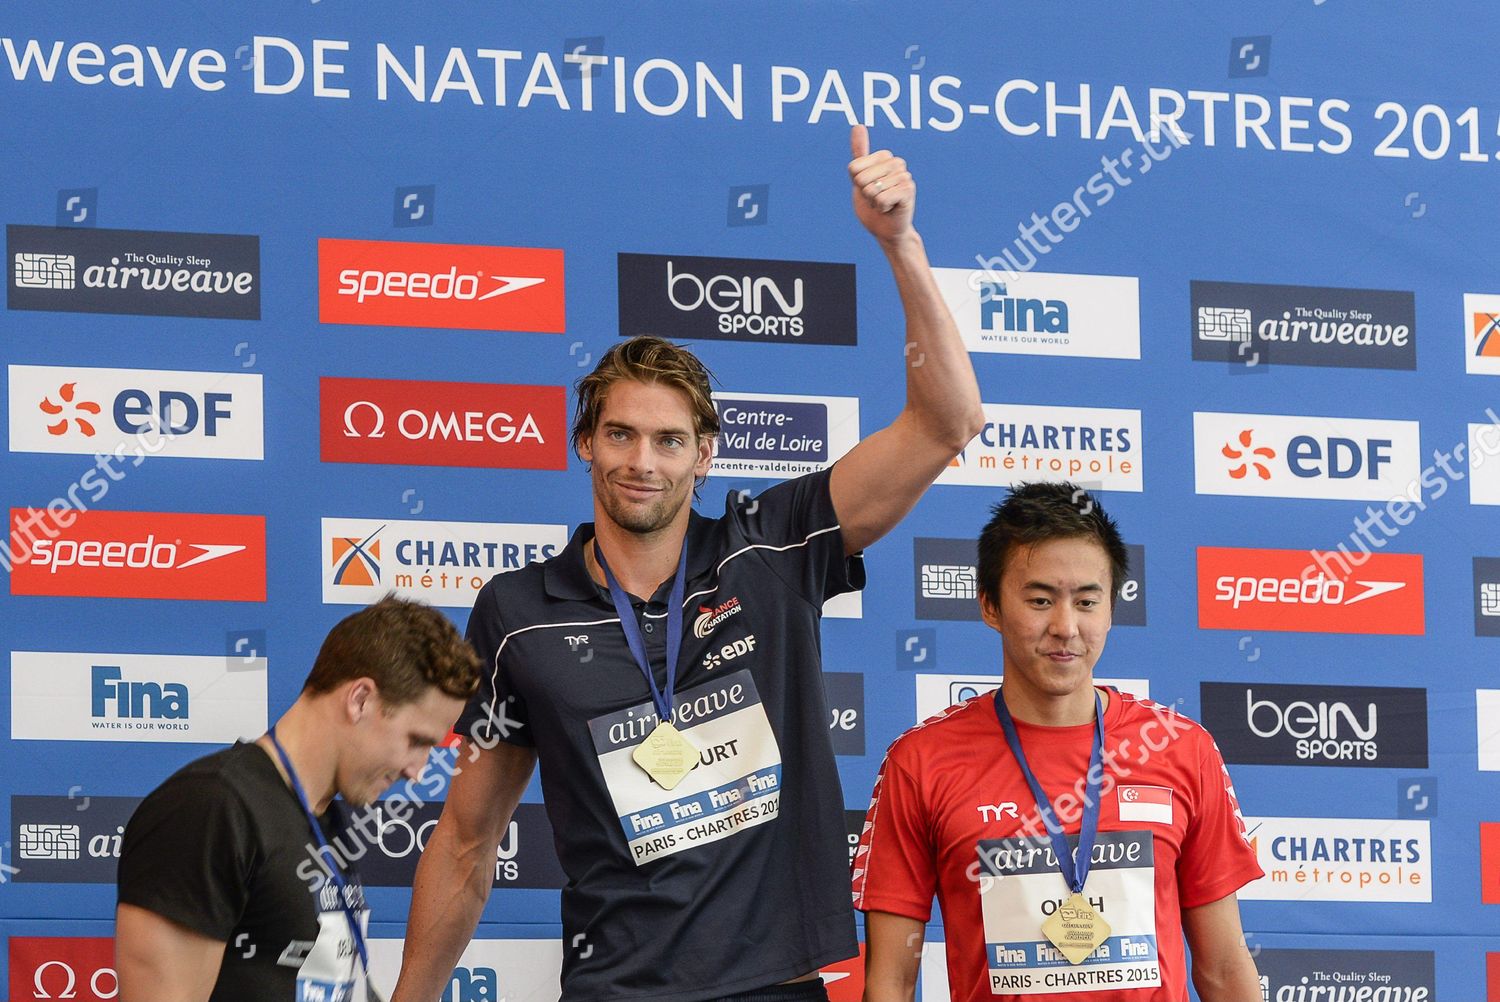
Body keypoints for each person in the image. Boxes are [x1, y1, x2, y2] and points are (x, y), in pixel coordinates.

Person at [391, 124, 984, 1002]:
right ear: (583, 443)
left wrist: (899, 243)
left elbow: (948, 421)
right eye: (621, 434)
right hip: (613, 990)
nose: (644, 461)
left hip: (774, 985)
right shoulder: (519, 613)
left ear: (705, 455)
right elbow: (469, 838)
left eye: (670, 440)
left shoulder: (772, 548)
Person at [852, 482, 1263, 1001]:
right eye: (1040, 600)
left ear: (1111, 609)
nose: (1066, 627)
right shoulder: (920, 761)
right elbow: (889, 981)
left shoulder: (1180, 748)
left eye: (1087, 601)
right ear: (990, 606)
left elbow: (1225, 968)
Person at [115, 596, 481, 1002]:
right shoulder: (209, 808)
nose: (418, 770)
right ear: (360, 699)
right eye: (417, 741)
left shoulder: (326, 816)